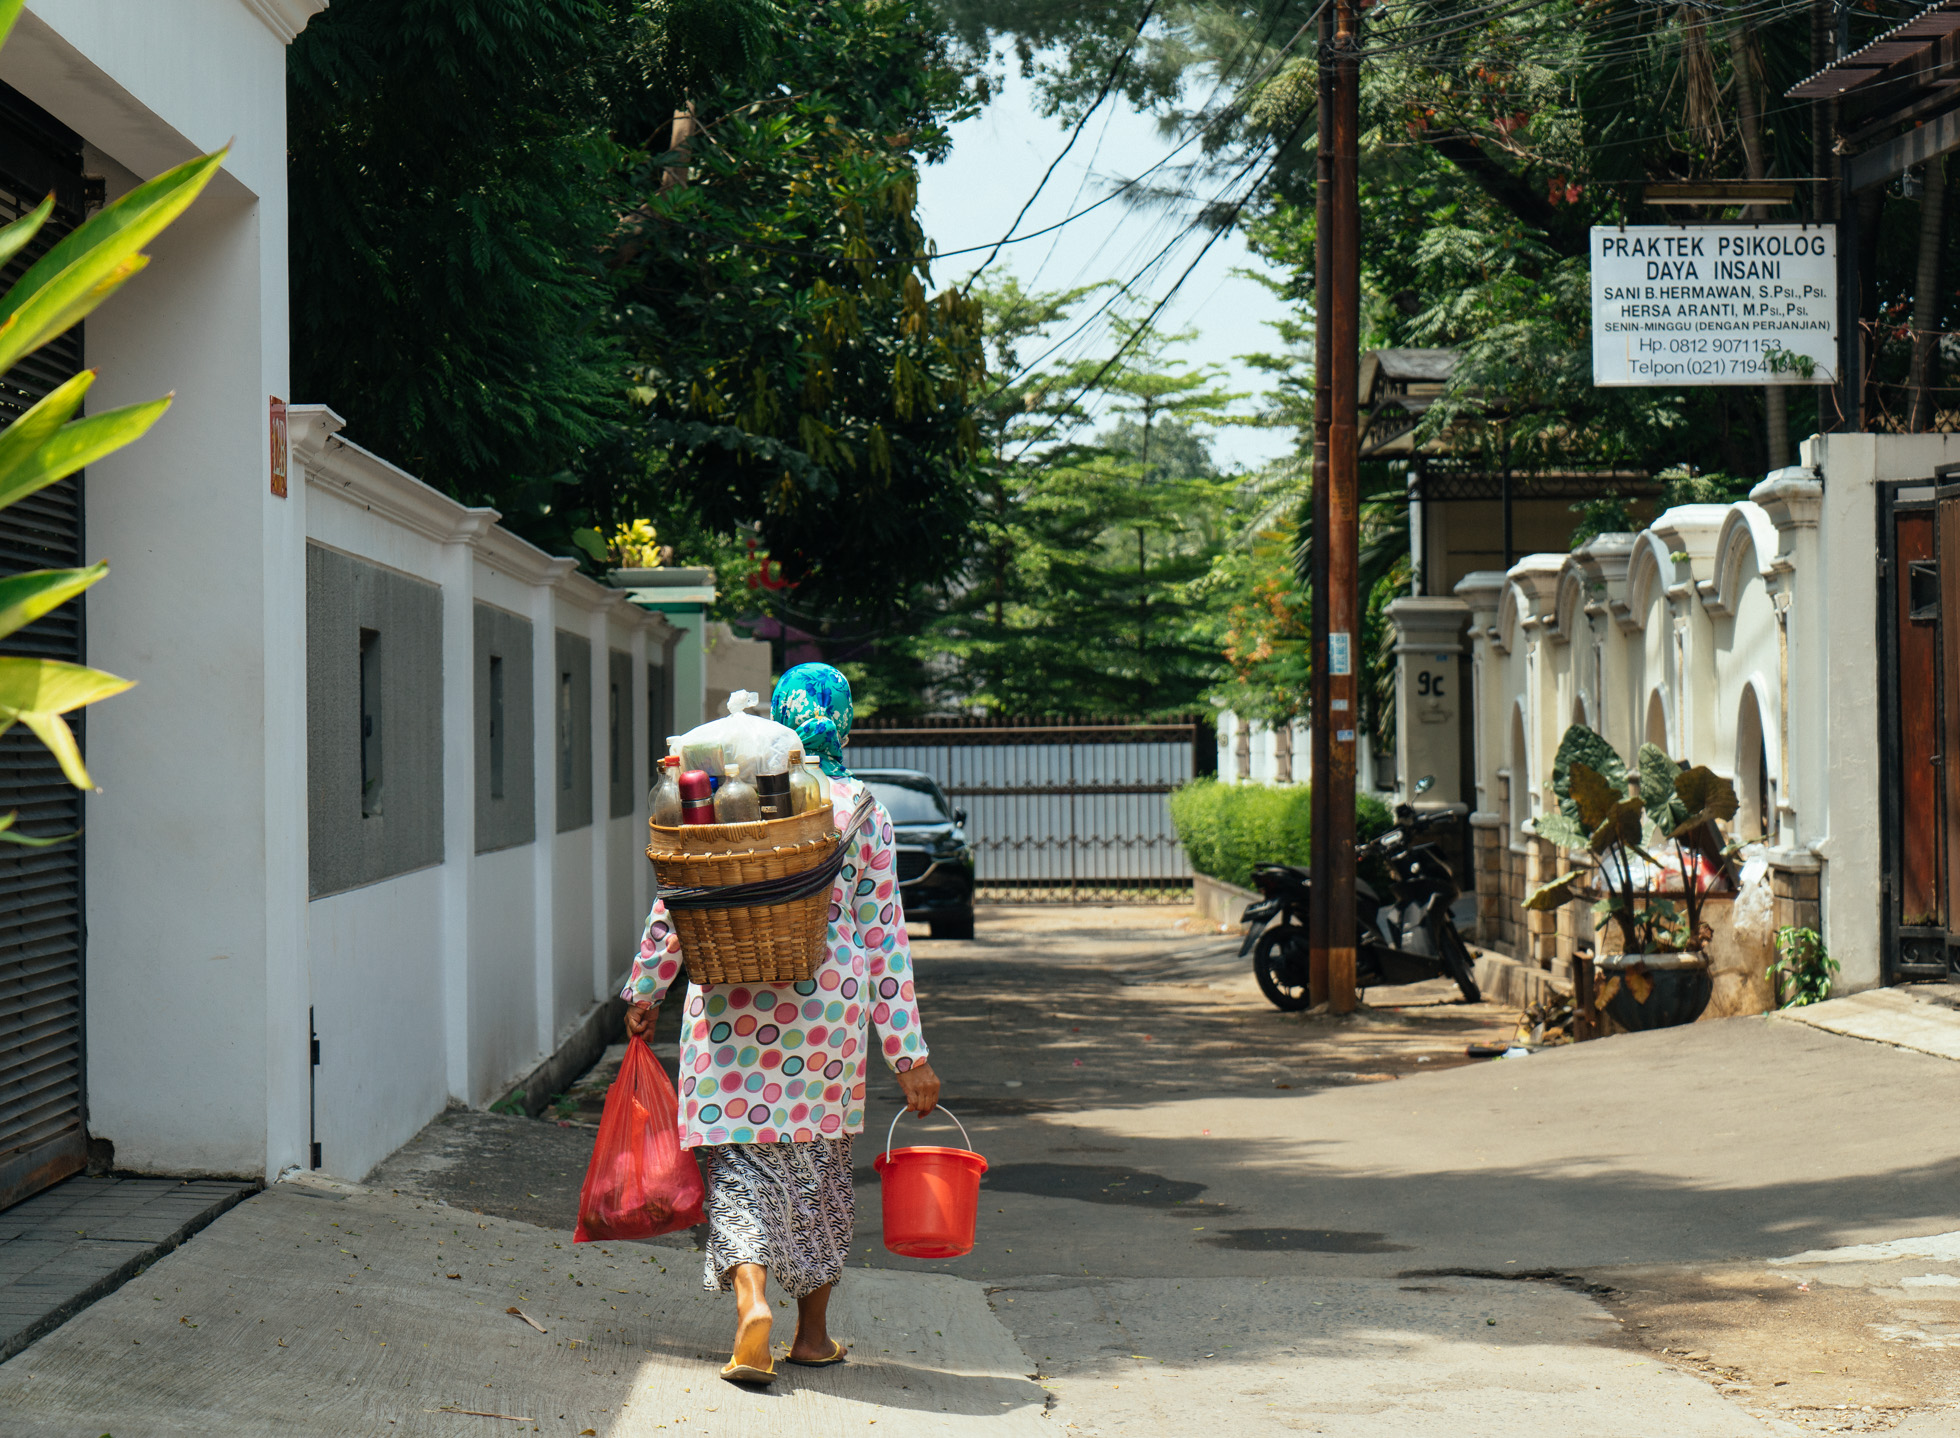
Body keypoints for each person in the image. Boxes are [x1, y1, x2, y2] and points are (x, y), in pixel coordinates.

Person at [620, 662, 940, 1386]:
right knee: (818, 1174)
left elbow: (679, 895)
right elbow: (884, 936)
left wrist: (645, 988)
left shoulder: (724, 799)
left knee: (737, 1165)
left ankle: (752, 1304)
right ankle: (814, 1335)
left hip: (730, 1006)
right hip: (825, 1021)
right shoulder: (863, 811)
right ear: (843, 718)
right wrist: (908, 1052)